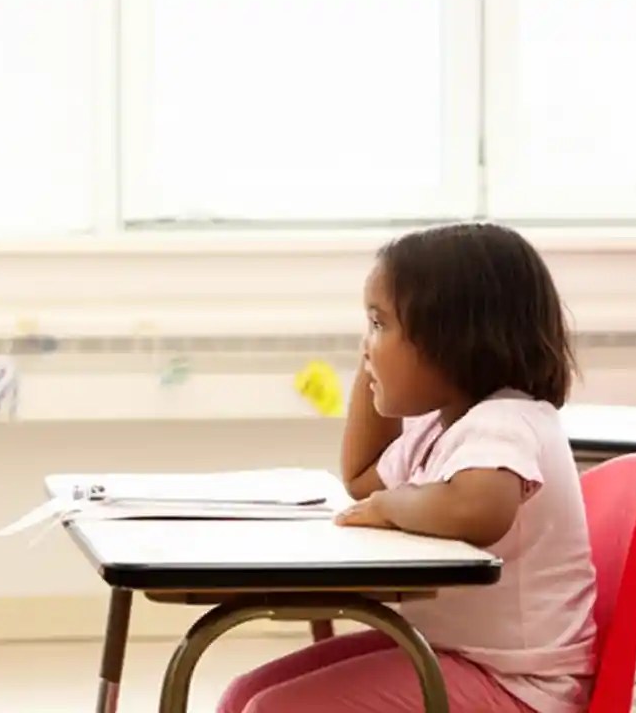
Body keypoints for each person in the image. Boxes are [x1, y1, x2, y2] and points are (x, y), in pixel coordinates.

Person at [219, 223, 597, 713]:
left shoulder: (505, 420)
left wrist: (392, 507)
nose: (365, 344)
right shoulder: (439, 428)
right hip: (465, 657)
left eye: (379, 325)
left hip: (519, 688)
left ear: (452, 339)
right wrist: (374, 365)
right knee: (243, 697)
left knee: (273, 710)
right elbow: (360, 478)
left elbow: (477, 508)